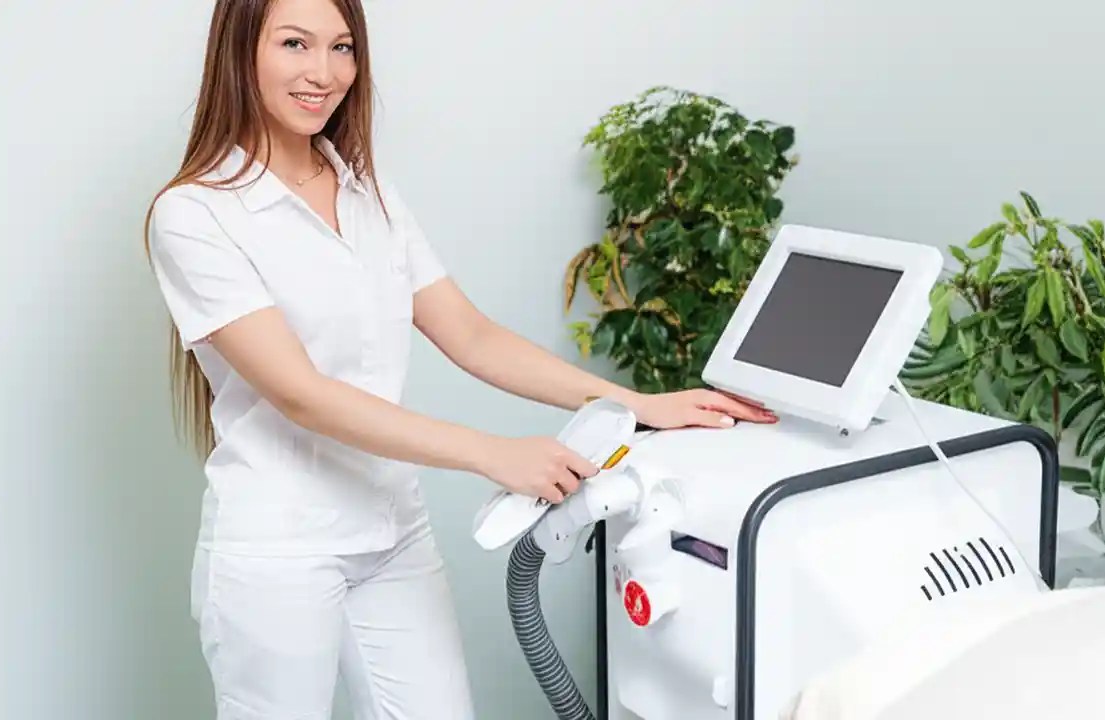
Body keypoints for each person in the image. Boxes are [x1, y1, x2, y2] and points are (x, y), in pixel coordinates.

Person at [142, 0, 777, 718]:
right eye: (295, 44)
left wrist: (638, 406)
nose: (323, 73)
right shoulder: (196, 214)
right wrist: (489, 453)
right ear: (241, 51)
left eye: (342, 47)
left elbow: (470, 335)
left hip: (391, 528)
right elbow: (302, 395)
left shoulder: (366, 191)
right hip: (280, 548)